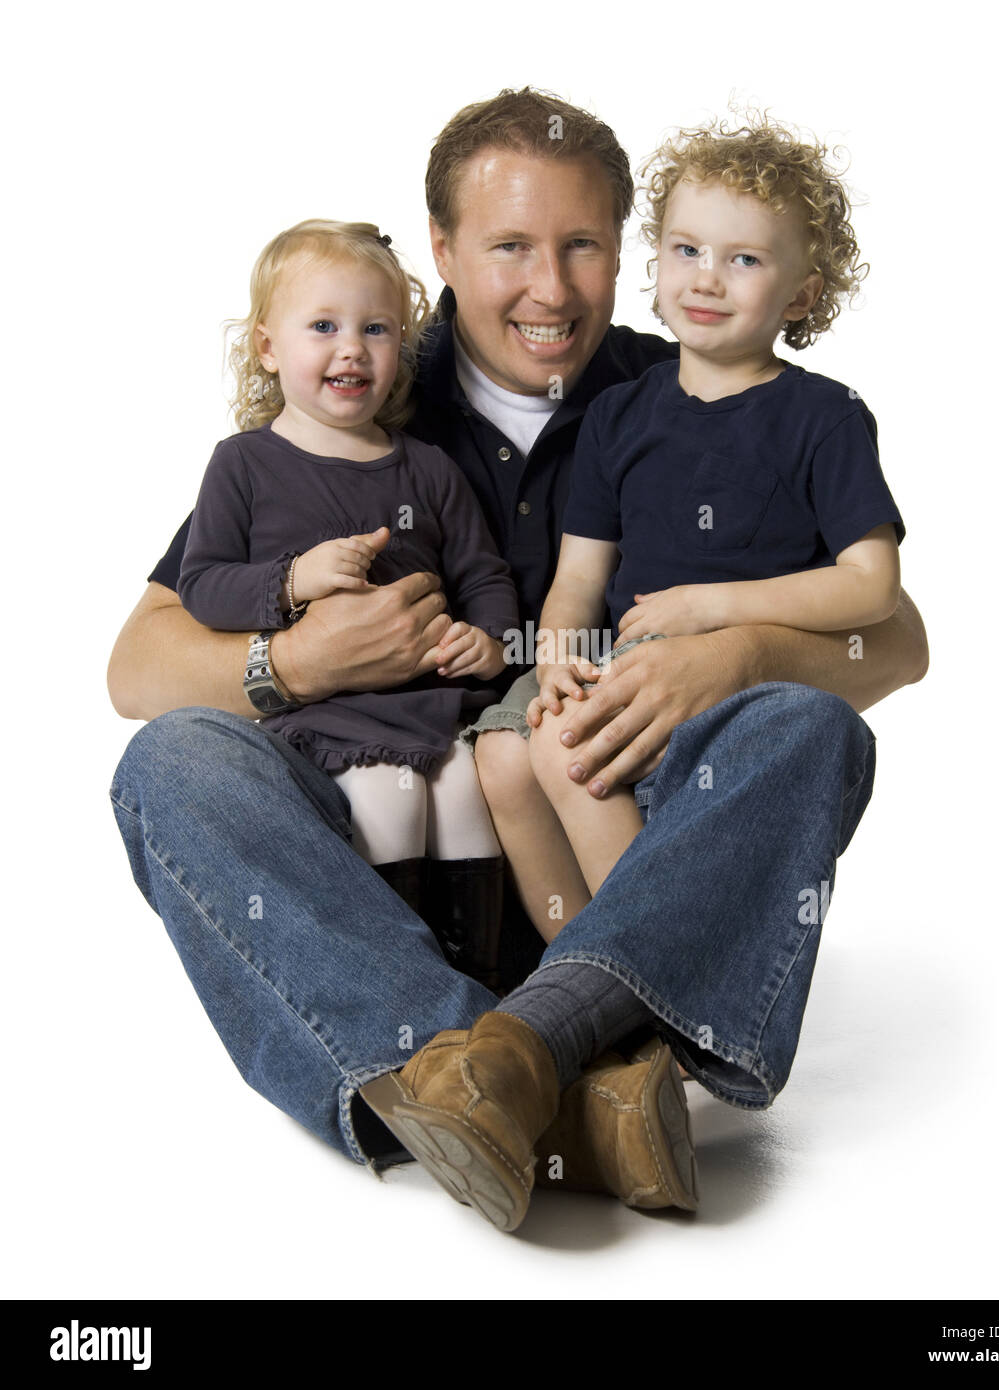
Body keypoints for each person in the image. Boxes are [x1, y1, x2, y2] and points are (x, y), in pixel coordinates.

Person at [108, 89, 929, 1234]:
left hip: (613, 834)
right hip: (380, 876)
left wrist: (734, 653)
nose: (549, 289)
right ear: (440, 251)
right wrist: (292, 663)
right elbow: (137, 665)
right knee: (172, 763)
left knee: (813, 728)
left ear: (625, 251)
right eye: (509, 248)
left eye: (581, 245)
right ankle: (560, 1068)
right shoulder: (359, 388)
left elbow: (893, 638)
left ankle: (501, 1065)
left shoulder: (684, 381)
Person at [480, 117, 904, 942]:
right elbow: (576, 580)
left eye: (742, 259)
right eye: (685, 250)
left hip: (739, 678)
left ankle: (645, 977)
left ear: (801, 294)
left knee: (568, 752)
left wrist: (711, 608)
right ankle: (585, 974)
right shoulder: (615, 415)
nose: (706, 278)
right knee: (503, 756)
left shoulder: (822, 416)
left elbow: (872, 586)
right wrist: (560, 658)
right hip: (615, 659)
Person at [175, 219, 517, 985]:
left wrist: (489, 640)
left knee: (466, 789)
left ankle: (482, 1000)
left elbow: (482, 574)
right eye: (322, 326)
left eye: (376, 329)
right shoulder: (245, 464)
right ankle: (399, 995)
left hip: (431, 707)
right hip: (326, 716)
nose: (351, 348)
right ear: (268, 347)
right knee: (390, 799)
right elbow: (201, 585)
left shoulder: (426, 469)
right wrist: (290, 580)